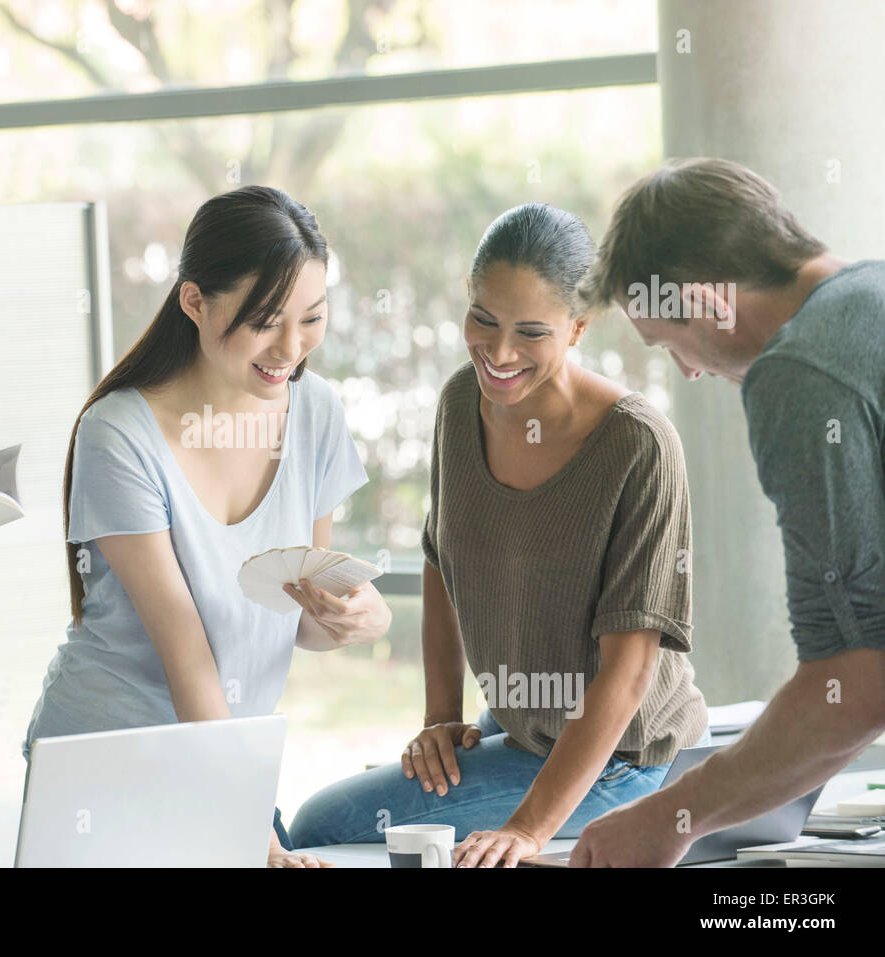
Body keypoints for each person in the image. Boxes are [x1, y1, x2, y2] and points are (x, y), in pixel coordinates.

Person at [288, 203, 710, 867]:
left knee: (318, 826)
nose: (500, 352)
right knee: (337, 818)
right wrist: (439, 716)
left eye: (531, 332)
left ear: (577, 327)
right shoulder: (461, 402)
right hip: (519, 726)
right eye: (483, 319)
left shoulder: (638, 445)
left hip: (624, 758)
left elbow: (628, 673)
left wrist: (529, 828)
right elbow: (440, 559)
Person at [23, 185, 391, 868]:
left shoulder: (316, 414)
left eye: (312, 318)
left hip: (223, 763)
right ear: (194, 301)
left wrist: (353, 618)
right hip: (108, 769)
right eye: (265, 321)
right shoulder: (121, 434)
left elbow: (299, 609)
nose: (292, 347)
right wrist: (248, 830)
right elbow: (187, 648)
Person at [571, 157, 885, 867]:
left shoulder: (801, 372)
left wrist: (670, 817)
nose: (687, 369)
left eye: (669, 340)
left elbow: (857, 681)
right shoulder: (872, 294)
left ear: (709, 302)